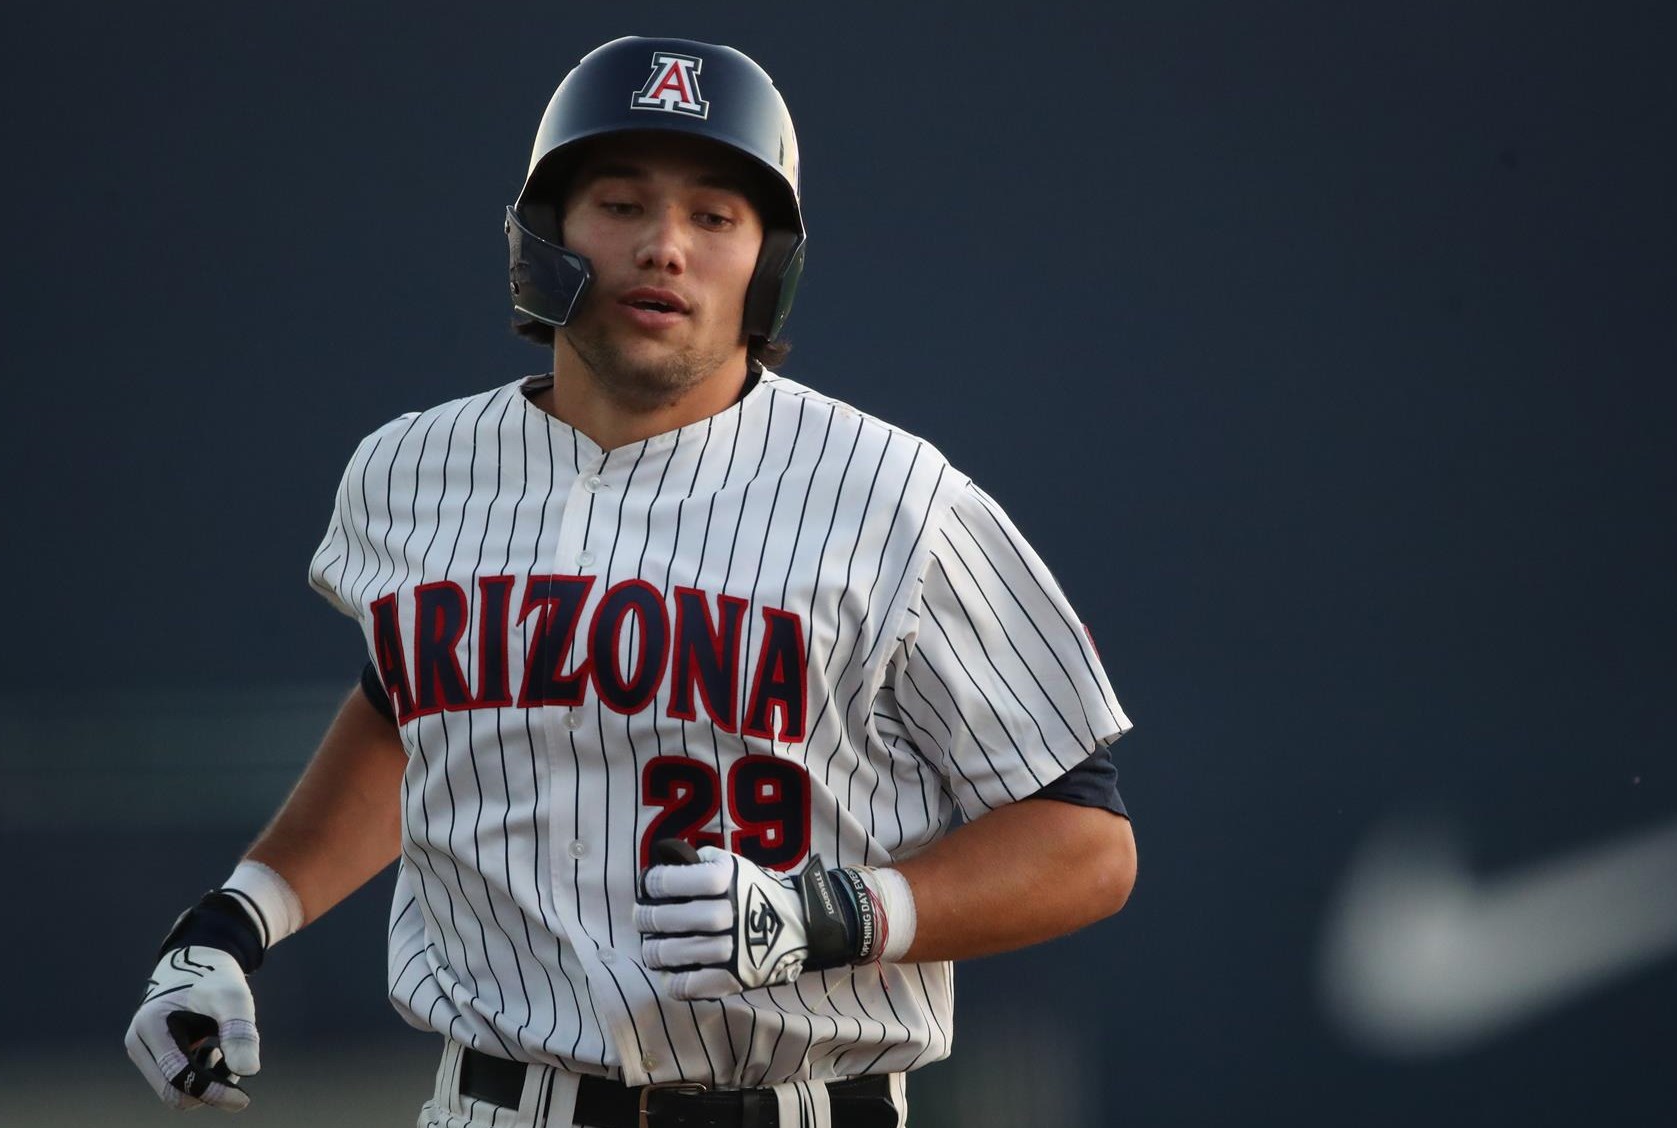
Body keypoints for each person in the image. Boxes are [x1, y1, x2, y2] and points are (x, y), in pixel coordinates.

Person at [124, 35, 1136, 1128]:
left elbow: (1085, 843)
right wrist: (235, 920)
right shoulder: (408, 472)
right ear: (542, 236)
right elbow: (411, 712)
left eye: (715, 216)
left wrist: (841, 913)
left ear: (769, 265)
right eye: (619, 204)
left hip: (794, 1102)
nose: (665, 247)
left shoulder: (898, 500)